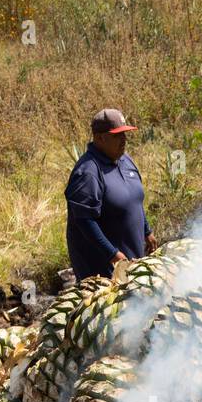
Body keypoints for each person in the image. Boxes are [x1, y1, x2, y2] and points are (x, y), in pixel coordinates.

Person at [64, 108, 157, 281]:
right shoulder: (88, 172)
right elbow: (84, 221)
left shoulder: (125, 160)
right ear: (99, 138)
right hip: (104, 274)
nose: (124, 140)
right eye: (117, 136)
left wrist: (146, 230)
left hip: (130, 267)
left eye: (125, 134)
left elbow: (134, 199)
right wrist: (112, 253)